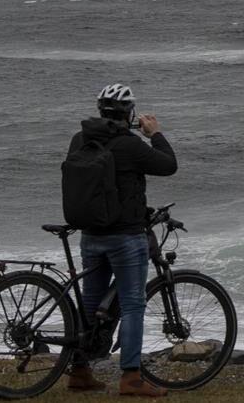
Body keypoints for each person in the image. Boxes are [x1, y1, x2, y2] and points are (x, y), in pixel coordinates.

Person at [66, 83, 176, 397]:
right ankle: (131, 377)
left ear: (101, 111)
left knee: (90, 304)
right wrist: (154, 133)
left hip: (90, 233)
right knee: (132, 305)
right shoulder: (129, 144)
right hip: (125, 237)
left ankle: (80, 371)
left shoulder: (80, 139)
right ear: (128, 113)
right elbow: (168, 165)